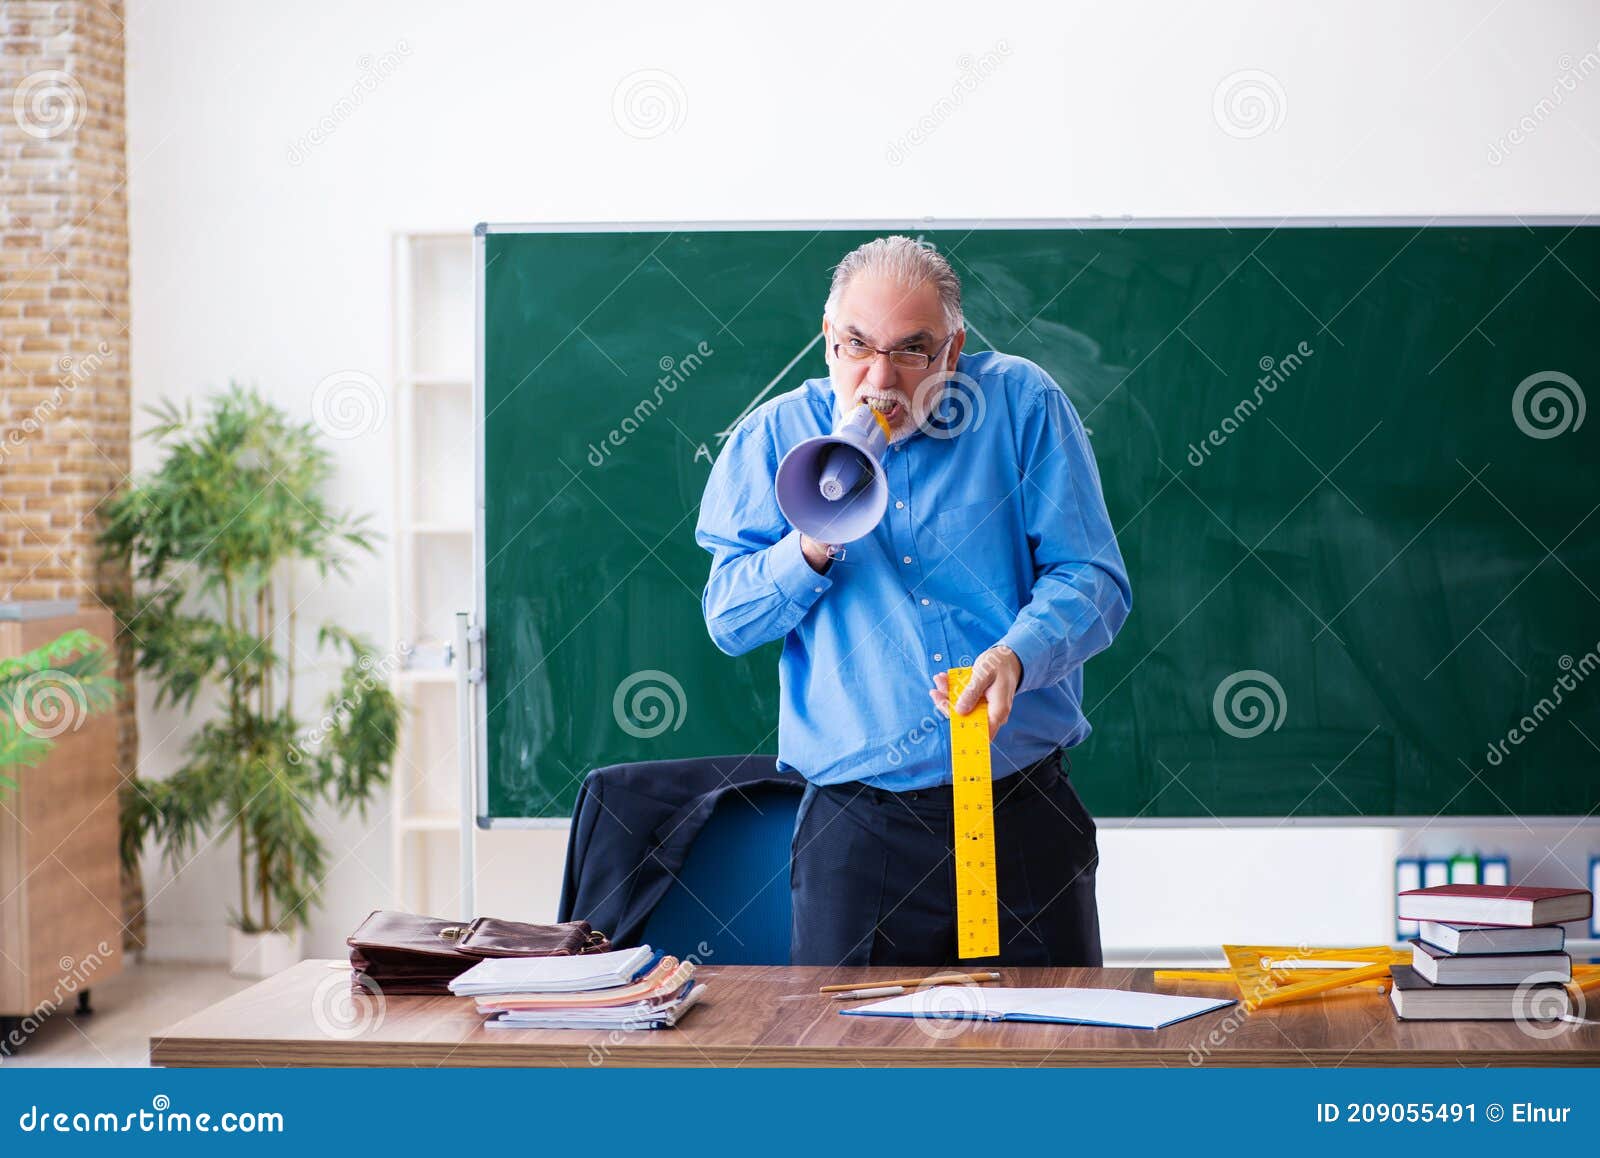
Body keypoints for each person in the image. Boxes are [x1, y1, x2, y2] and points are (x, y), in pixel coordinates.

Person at [695, 235, 1131, 967]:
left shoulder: (1021, 404)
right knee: (849, 1042)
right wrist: (811, 543)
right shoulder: (773, 437)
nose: (879, 377)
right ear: (828, 338)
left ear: (952, 350)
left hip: (1021, 812)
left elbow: (1092, 578)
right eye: (857, 345)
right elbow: (729, 620)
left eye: (911, 350)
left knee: (1055, 1034)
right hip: (859, 837)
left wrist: (1016, 657)